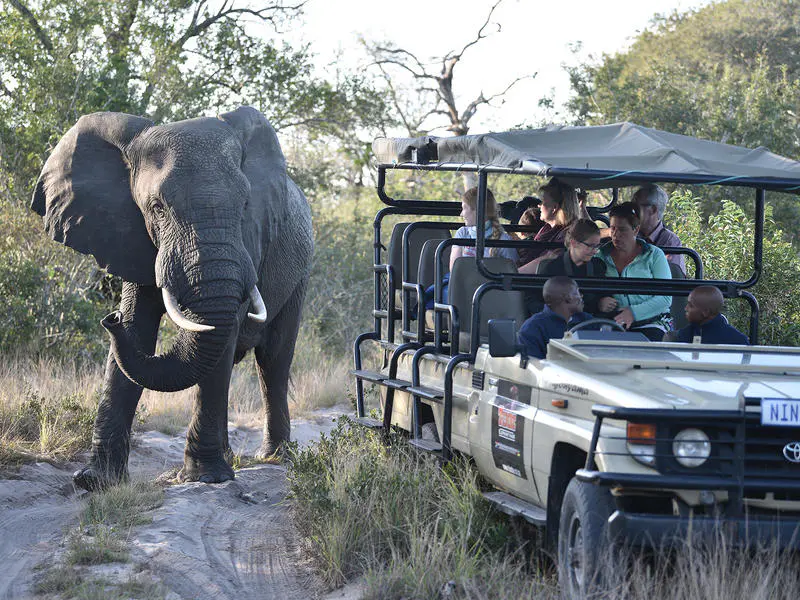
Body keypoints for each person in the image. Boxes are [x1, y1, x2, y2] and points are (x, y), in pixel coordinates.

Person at [424, 186, 517, 309]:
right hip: (462, 286)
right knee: (450, 294)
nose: (461, 214)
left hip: (490, 292)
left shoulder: (504, 240)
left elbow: (512, 273)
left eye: (464, 208)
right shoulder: (463, 233)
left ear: (477, 210)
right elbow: (455, 269)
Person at [597, 202, 673, 341]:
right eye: (613, 228)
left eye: (622, 229)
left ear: (636, 230)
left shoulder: (654, 255)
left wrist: (633, 313)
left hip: (652, 322)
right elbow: (590, 291)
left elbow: (665, 298)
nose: (616, 235)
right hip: (613, 322)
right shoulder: (600, 256)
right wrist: (599, 302)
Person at [537, 219, 607, 314]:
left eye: (597, 246)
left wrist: (603, 302)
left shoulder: (598, 267)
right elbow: (534, 300)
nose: (594, 251)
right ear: (574, 242)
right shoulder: (552, 268)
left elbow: (606, 295)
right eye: (590, 246)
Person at [517, 276, 592, 359]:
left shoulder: (588, 321)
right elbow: (532, 367)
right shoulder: (533, 328)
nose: (581, 296)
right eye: (578, 292)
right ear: (568, 298)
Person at [518, 178, 582, 273]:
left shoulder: (566, 235)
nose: (539, 206)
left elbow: (546, 262)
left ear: (554, 208)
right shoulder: (547, 229)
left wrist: (514, 273)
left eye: (542, 202)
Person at [631, 184, 685, 274]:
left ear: (653, 209)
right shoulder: (630, 233)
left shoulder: (670, 241)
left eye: (636, 207)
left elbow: (669, 278)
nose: (632, 211)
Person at [668, 286, 749, 345]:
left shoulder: (737, 341)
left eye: (691, 305)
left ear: (705, 312)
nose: (686, 308)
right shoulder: (683, 335)